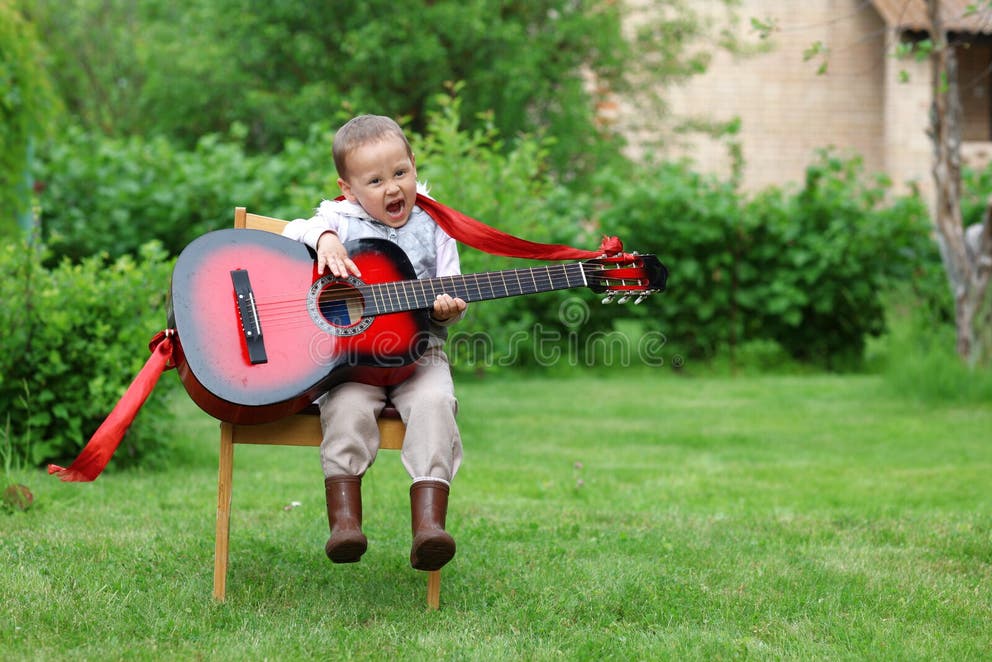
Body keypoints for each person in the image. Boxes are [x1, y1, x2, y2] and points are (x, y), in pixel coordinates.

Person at [282, 115, 467, 572]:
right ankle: (345, 523)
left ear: (413, 166)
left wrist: (450, 305)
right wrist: (324, 237)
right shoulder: (338, 219)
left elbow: (453, 281)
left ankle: (428, 527)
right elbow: (291, 232)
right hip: (352, 362)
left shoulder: (435, 220)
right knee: (344, 409)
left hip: (420, 352)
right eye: (376, 180)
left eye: (400, 173)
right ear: (348, 189)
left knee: (436, 402)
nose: (392, 188)